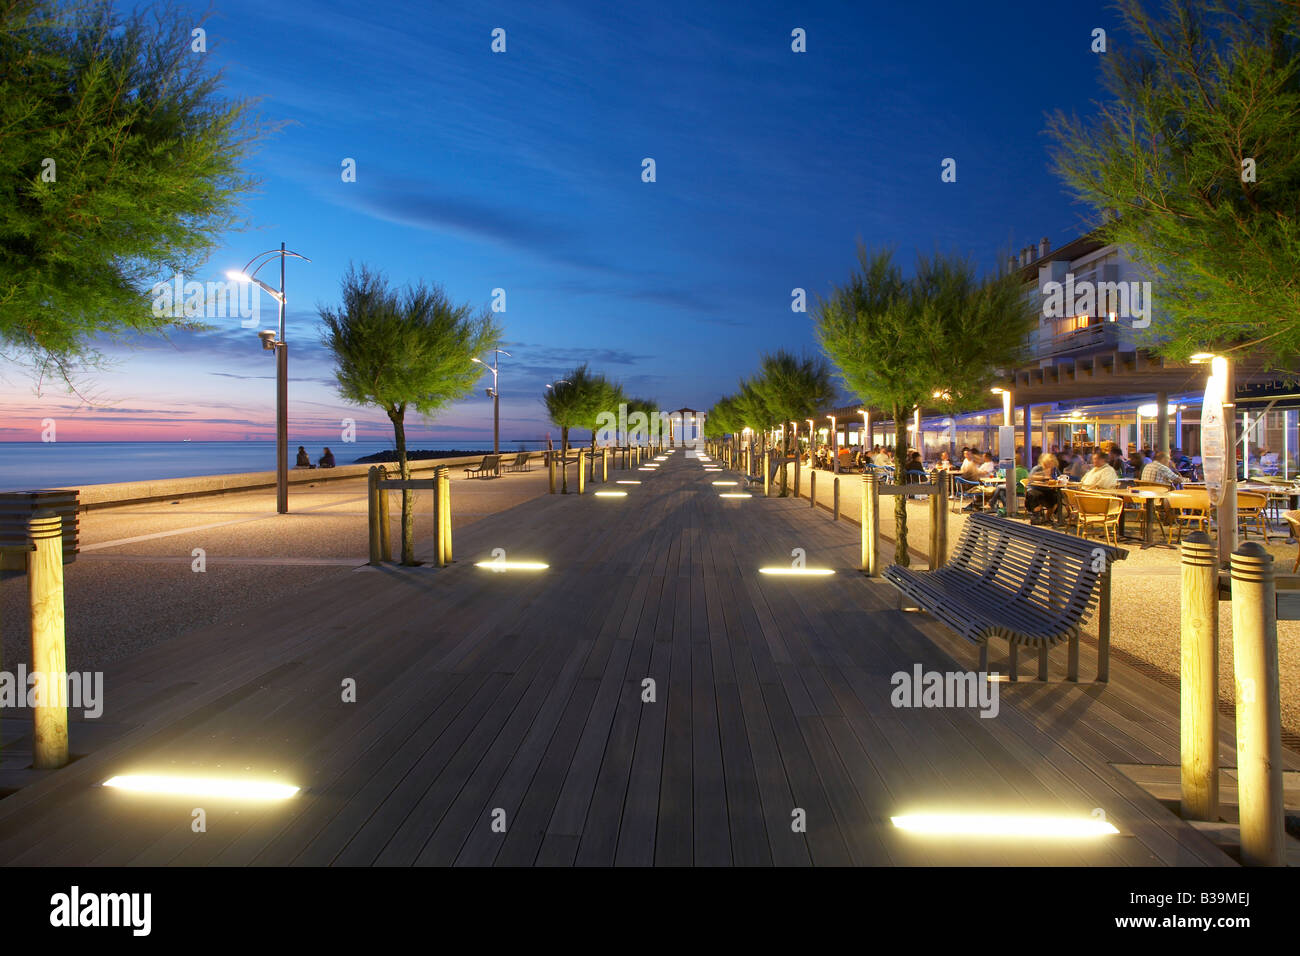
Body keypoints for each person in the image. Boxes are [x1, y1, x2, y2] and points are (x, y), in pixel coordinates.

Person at [1024, 453, 1064, 523]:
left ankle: (1048, 517)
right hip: (1035, 488)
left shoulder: (1054, 469)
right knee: (1035, 495)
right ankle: (1036, 516)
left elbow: (1059, 477)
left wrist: (1059, 479)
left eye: (1051, 463)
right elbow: (1030, 477)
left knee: (1057, 496)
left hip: (1047, 489)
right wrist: (1044, 477)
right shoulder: (1038, 468)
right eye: (1048, 463)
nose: (1050, 465)